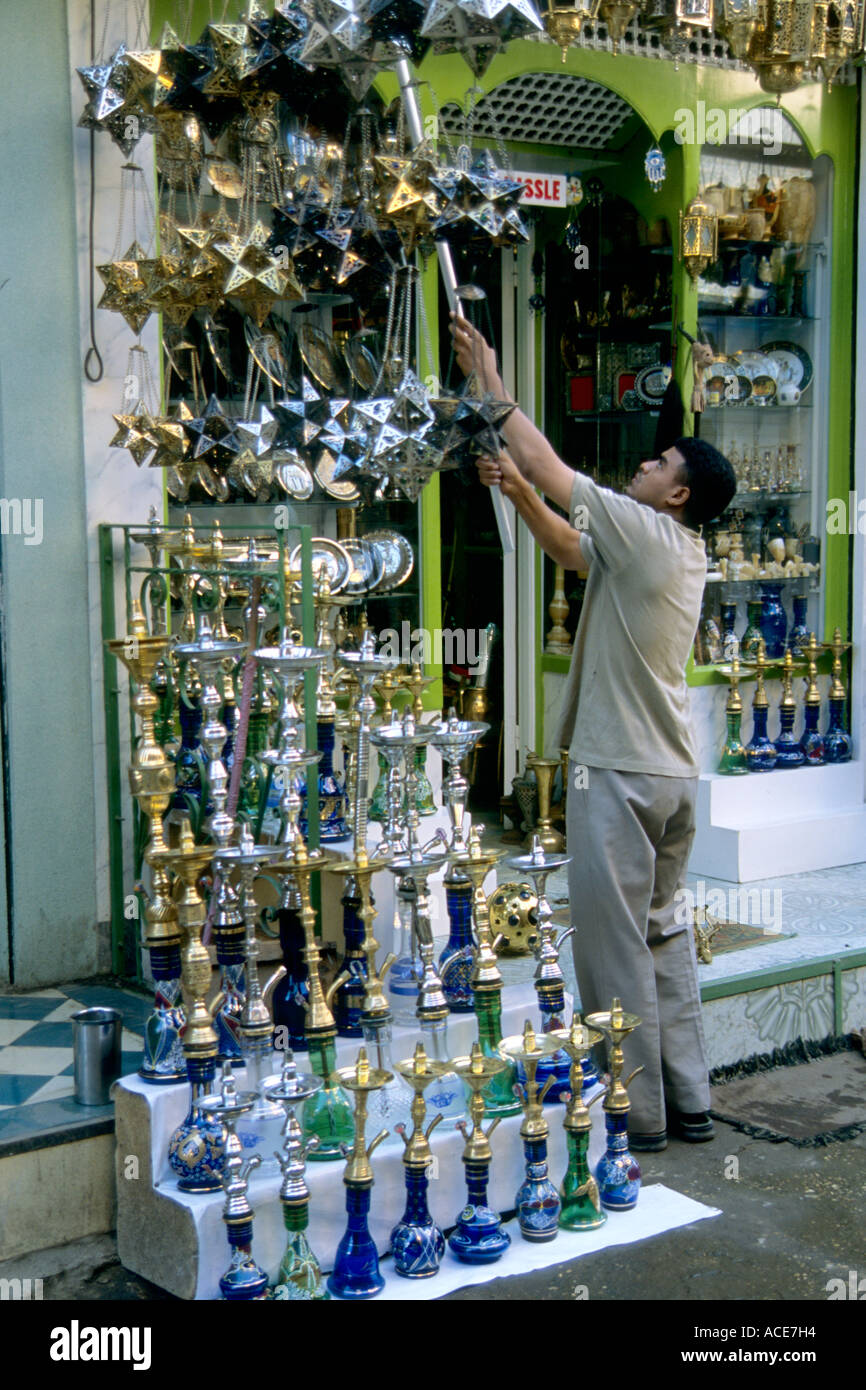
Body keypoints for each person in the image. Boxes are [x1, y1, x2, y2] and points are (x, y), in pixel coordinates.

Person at [451, 312, 737, 1151]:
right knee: (663, 934)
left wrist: (490, 377)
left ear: (677, 494)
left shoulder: (647, 529)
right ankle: (689, 1102)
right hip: (671, 775)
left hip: (618, 772)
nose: (644, 465)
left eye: (658, 464)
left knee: (613, 954)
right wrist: (518, 494)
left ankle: (633, 1116)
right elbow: (572, 551)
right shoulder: (668, 549)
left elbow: (548, 460)